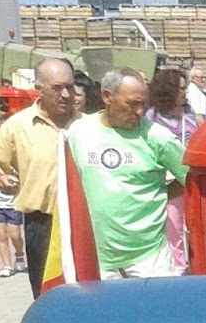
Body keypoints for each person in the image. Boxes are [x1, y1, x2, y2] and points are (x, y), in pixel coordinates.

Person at [67, 67, 188, 278]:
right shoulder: (79, 133)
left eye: (143, 104)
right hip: (97, 258)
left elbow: (191, 177)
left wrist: (160, 196)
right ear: (107, 96)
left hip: (149, 258)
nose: (139, 111)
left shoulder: (158, 137)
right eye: (132, 104)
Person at [0, 57, 78, 297]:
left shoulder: (88, 125)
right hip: (42, 225)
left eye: (70, 87)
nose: (65, 94)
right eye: (57, 88)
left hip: (84, 222)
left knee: (88, 289)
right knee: (47, 295)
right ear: (39, 89)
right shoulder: (18, 126)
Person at [144, 67, 197, 272]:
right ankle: (178, 268)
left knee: (191, 227)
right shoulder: (152, 117)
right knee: (173, 227)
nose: (186, 92)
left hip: (188, 179)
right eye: (182, 88)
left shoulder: (189, 113)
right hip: (168, 181)